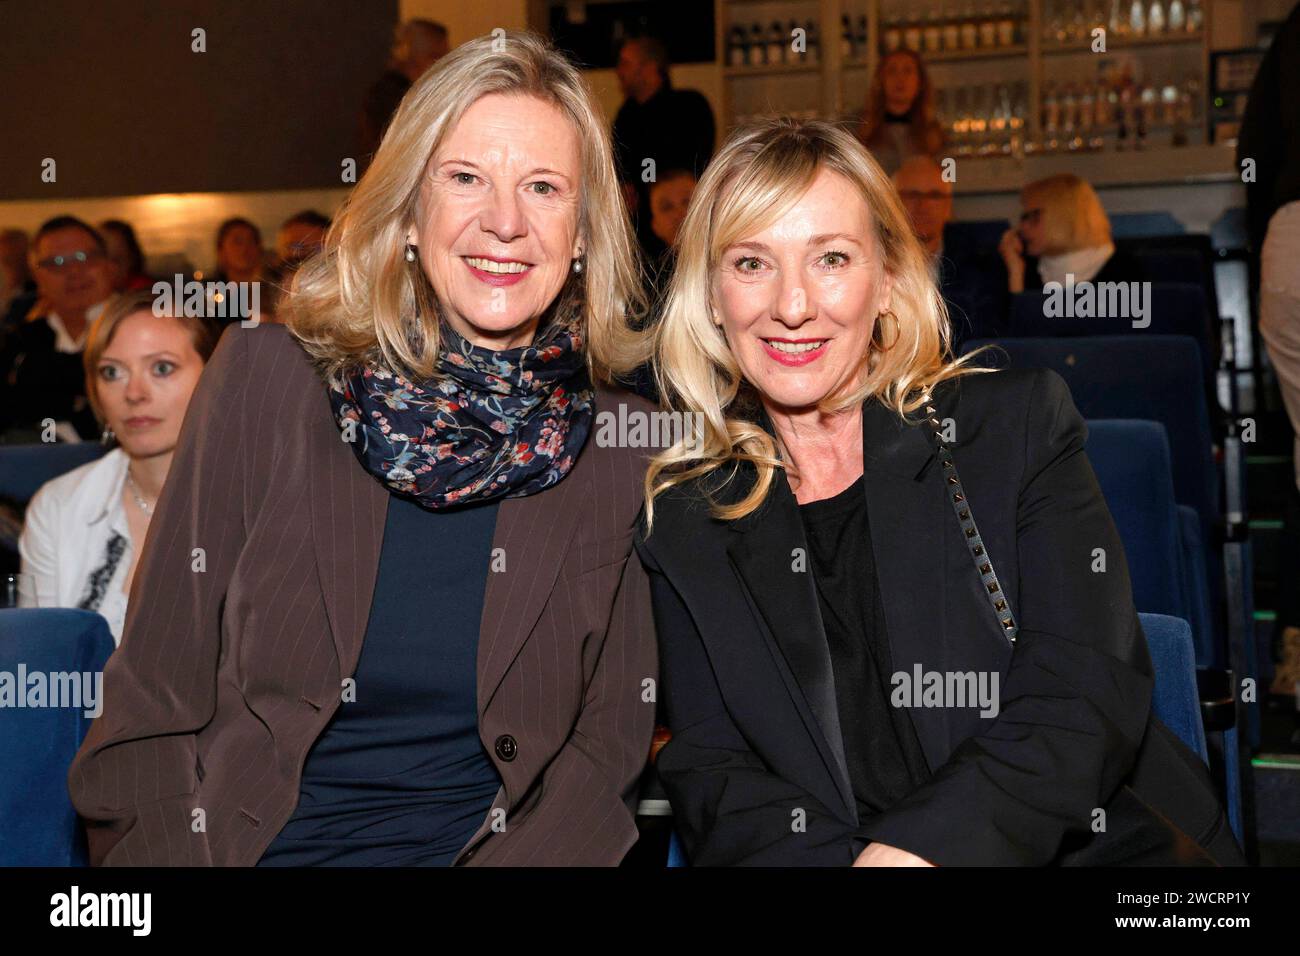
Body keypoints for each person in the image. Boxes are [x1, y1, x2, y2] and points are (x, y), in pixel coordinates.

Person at [69, 31, 658, 868]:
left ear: (584, 235)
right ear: (410, 215)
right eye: (464, 179)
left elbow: (604, 763)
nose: (504, 220)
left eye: (543, 187)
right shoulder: (265, 386)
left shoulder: (621, 451)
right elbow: (150, 707)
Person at [634, 117, 1243, 867]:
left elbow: (1080, 691)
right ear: (711, 296)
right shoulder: (685, 515)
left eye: (830, 258)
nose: (792, 305)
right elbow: (714, 772)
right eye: (752, 263)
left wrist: (919, 852)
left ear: (888, 279)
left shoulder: (1013, 429)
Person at [18, 291, 218, 642]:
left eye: (162, 368)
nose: (134, 393)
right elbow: (45, 663)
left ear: (216, 378)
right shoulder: (57, 506)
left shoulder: (265, 503)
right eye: (112, 372)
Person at [1238, 1, 1300, 700]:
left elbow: (1251, 153)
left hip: (1290, 237)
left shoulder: (1289, 36)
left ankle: (1292, 646)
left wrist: (1268, 243)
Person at [0, 216, 115, 442]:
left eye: (84, 257)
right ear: (36, 276)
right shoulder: (18, 345)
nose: (73, 272)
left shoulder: (141, 332)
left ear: (108, 264)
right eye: (56, 263)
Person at [611, 36, 714, 258]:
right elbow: (623, 177)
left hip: (692, 236)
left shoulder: (690, 106)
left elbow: (696, 169)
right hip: (643, 245)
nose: (618, 71)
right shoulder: (625, 117)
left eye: (626, 63)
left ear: (649, 67)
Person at [893, 156, 1006, 343]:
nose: (924, 205)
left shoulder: (981, 264)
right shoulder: (874, 262)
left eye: (935, 195)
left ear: (948, 207)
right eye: (912, 195)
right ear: (891, 201)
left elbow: (988, 343)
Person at [998, 173, 1143, 295]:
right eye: (1024, 217)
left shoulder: (1123, 273)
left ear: (1064, 219)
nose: (1022, 227)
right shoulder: (1025, 268)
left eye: (1034, 218)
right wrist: (1016, 274)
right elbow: (1017, 326)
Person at [359, 19, 450, 161]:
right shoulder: (388, 96)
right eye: (435, 57)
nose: (442, 66)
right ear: (411, 55)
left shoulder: (412, 91)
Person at [856, 49, 945, 177]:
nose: (900, 78)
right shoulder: (862, 129)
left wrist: (942, 187)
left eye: (907, 71)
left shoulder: (934, 133)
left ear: (920, 82)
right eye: (892, 71)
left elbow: (950, 173)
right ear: (881, 81)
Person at [98, 219, 153, 292]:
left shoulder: (143, 291)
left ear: (131, 259)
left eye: (116, 261)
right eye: (100, 258)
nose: (110, 268)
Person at [211, 217, 266, 285]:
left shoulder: (277, 290)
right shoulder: (207, 292)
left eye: (251, 241)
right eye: (237, 241)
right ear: (221, 250)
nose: (245, 248)